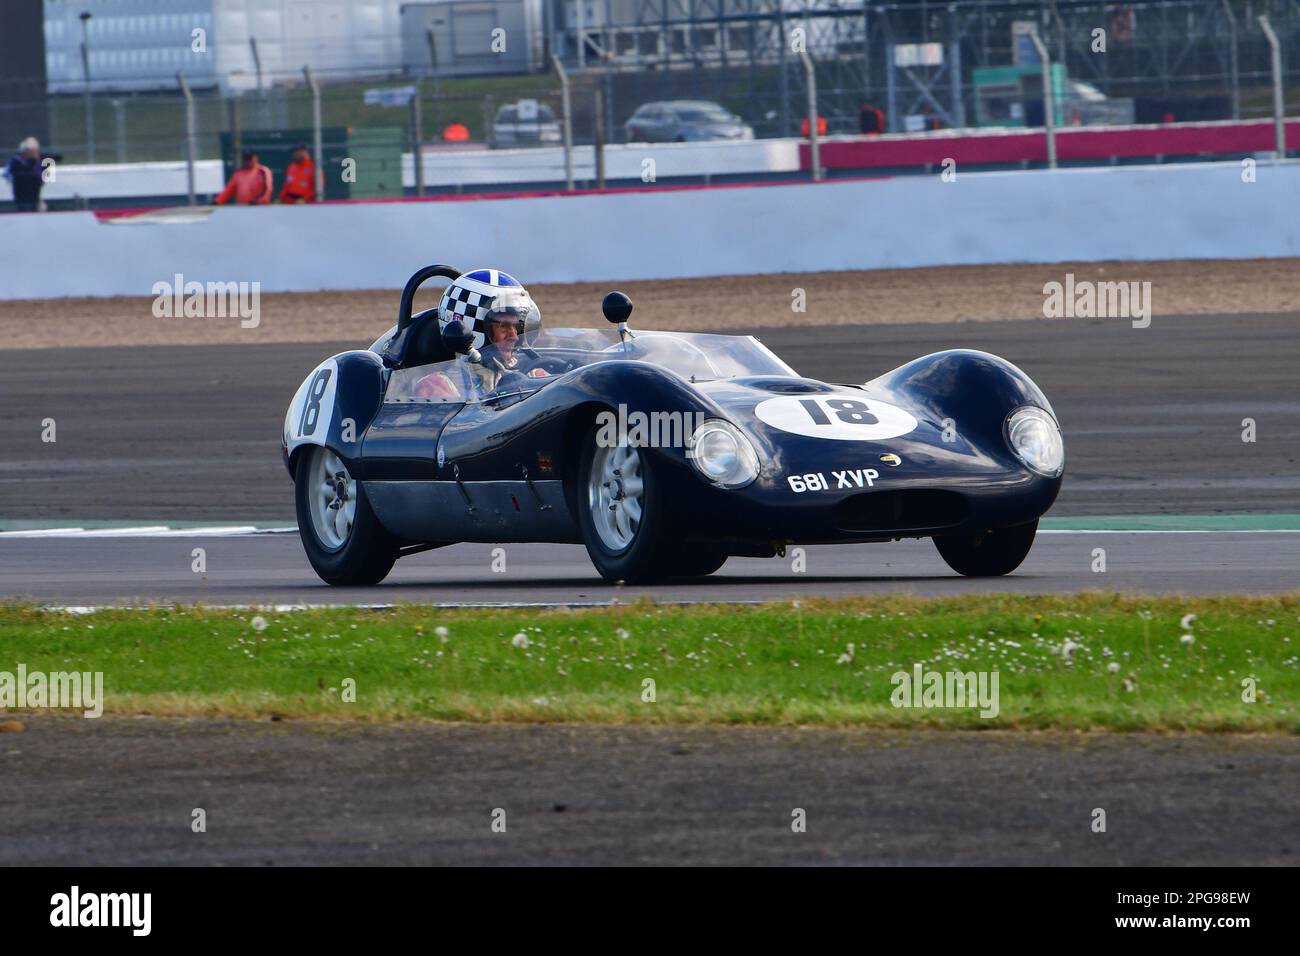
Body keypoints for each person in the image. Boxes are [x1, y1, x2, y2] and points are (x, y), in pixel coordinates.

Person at [3, 137, 60, 213]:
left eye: (34, 150)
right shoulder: (16, 161)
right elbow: (7, 173)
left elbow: (56, 158)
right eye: (30, 150)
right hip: (21, 196)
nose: (33, 153)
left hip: (35, 196)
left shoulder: (40, 160)